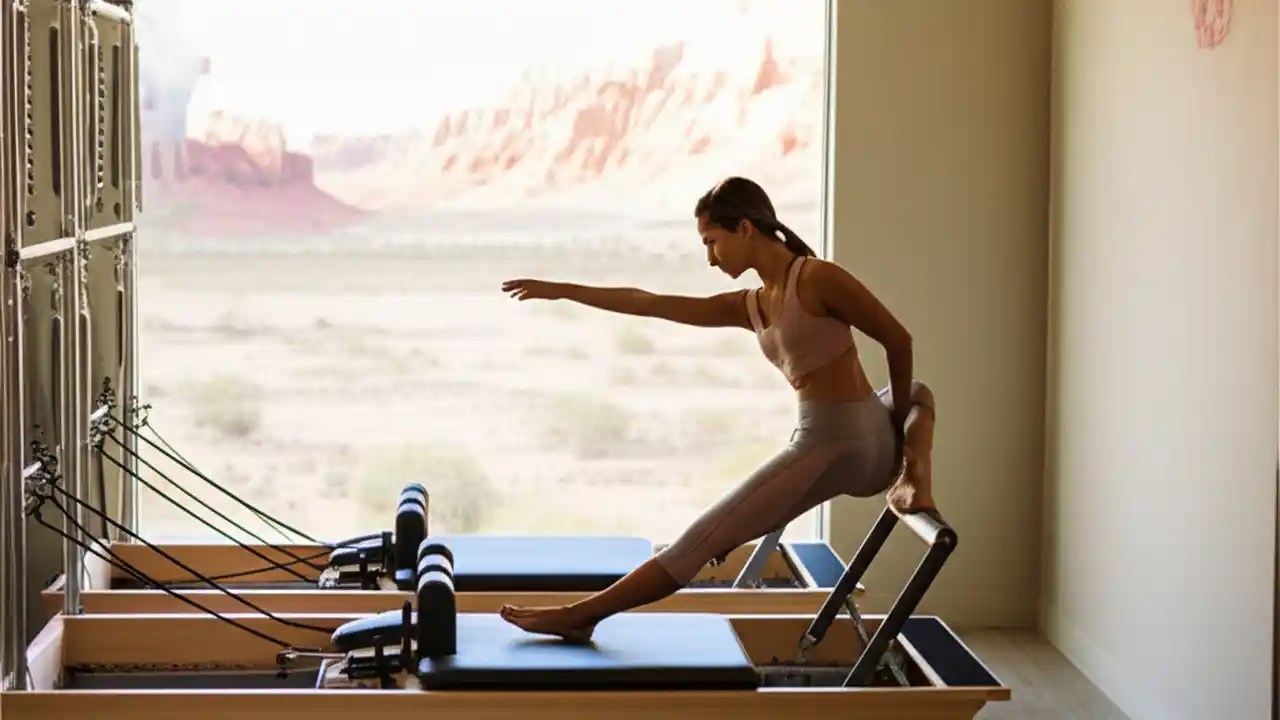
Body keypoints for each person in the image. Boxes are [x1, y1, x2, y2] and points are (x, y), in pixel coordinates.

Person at [497, 176, 937, 643]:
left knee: (697, 543)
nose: (709, 258)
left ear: (745, 228)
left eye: (712, 242)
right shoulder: (751, 305)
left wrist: (888, 429)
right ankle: (913, 475)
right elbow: (650, 303)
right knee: (918, 392)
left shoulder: (816, 277)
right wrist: (565, 289)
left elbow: (897, 338)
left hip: (835, 447)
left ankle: (581, 616)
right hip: (867, 447)